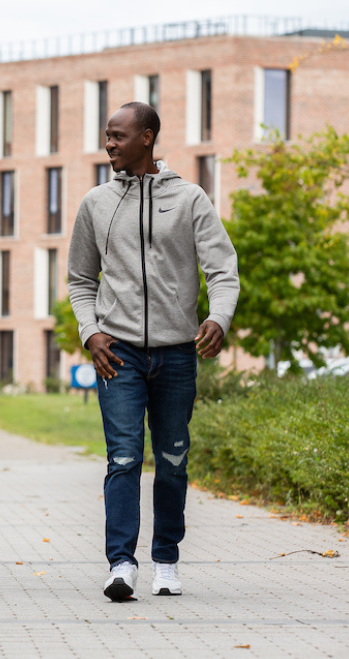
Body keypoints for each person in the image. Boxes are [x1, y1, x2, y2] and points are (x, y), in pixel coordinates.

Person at [67, 102, 239, 602]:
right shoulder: (96, 203)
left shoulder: (189, 199)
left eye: (118, 135)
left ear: (147, 137)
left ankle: (166, 559)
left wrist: (218, 317)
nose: (109, 144)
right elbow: (80, 279)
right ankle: (121, 564)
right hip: (116, 353)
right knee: (122, 457)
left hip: (176, 355)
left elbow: (222, 269)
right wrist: (90, 332)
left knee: (172, 459)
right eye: (106, 135)